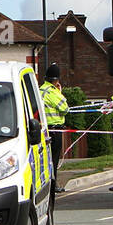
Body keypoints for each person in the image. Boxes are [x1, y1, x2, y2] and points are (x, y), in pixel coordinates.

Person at [40, 64, 69, 193]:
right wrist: (59, 91)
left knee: (44, 160)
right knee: (54, 160)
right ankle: (53, 185)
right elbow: (65, 108)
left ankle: (45, 185)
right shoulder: (52, 92)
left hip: (42, 130)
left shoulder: (40, 90)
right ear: (56, 80)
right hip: (55, 130)